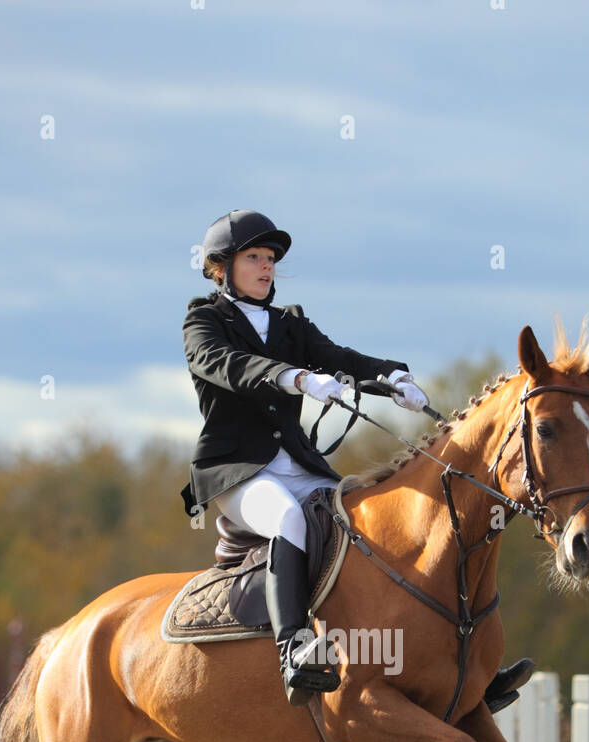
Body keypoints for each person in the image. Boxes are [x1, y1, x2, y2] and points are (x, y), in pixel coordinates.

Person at [181, 209, 429, 706]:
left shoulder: (289, 324)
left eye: (270, 258)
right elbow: (230, 367)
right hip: (236, 473)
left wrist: (393, 377)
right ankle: (292, 648)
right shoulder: (203, 320)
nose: (267, 266)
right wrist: (294, 378)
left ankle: (429, 650)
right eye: (254, 257)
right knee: (288, 518)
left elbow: (338, 358)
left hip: (298, 466)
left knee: (367, 523)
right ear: (220, 267)